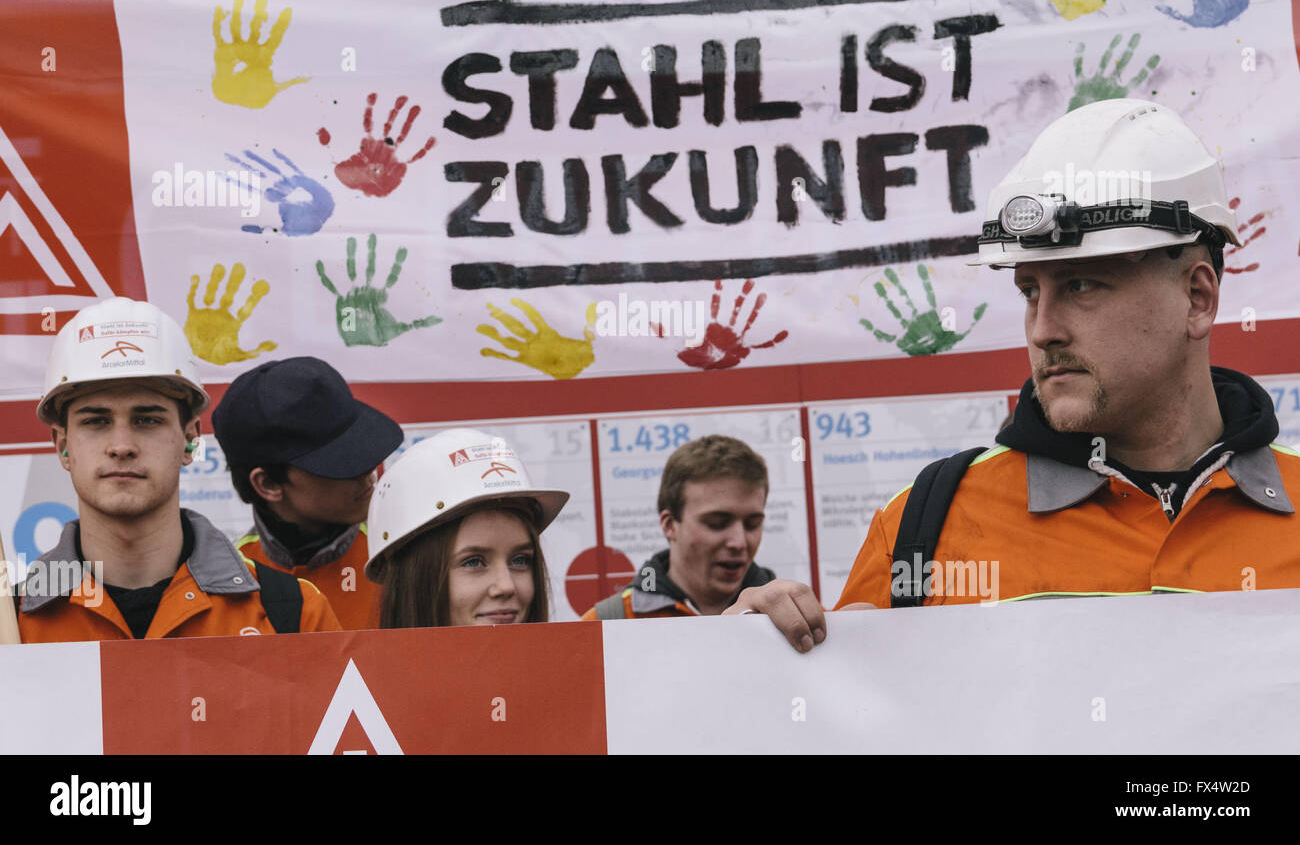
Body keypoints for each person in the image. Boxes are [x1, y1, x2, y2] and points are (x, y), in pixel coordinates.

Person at [728, 98, 1300, 651]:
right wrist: (744, 668)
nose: (1042, 329)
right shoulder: (924, 525)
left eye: (1082, 285)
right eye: (1030, 290)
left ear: (1197, 298)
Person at [20, 297, 341, 642]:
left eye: (147, 420)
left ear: (190, 439)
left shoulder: (293, 613)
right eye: (96, 421)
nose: (122, 445)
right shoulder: (11, 623)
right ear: (62, 446)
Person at [212, 356, 400, 629]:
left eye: (361, 447)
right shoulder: (224, 580)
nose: (368, 473)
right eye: (340, 461)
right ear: (268, 484)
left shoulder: (401, 558)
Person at [365, 427, 568, 628]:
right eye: (473, 562)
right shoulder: (360, 662)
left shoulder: (586, 660)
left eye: (520, 560)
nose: (506, 586)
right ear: (411, 580)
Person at [582, 434, 776, 619]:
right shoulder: (605, 623)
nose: (739, 542)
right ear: (669, 525)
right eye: (717, 523)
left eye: (752, 524)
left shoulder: (792, 620)